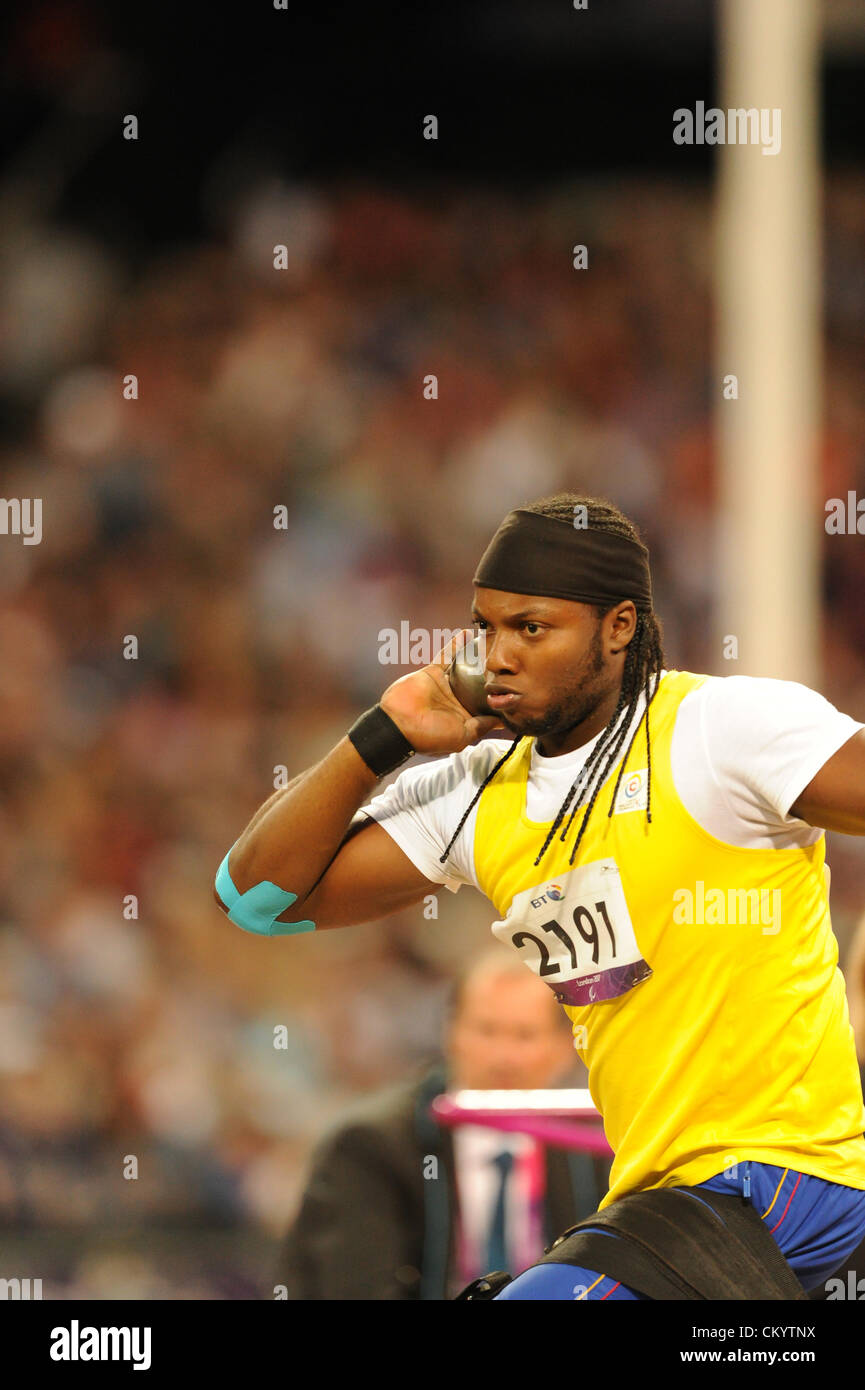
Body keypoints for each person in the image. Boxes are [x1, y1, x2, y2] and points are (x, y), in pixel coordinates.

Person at [215, 492, 865, 1300]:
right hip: (657, 1203)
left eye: (531, 628)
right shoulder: (476, 791)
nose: (498, 655)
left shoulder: (720, 728)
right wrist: (380, 738)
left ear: (619, 627)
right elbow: (253, 898)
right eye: (484, 627)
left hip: (787, 1177)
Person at [277, 950, 610, 1299]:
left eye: (524, 1035)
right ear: (450, 1032)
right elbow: (355, 1287)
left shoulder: (593, 1145)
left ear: (563, 1047)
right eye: (486, 1030)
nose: (503, 1057)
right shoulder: (374, 1144)